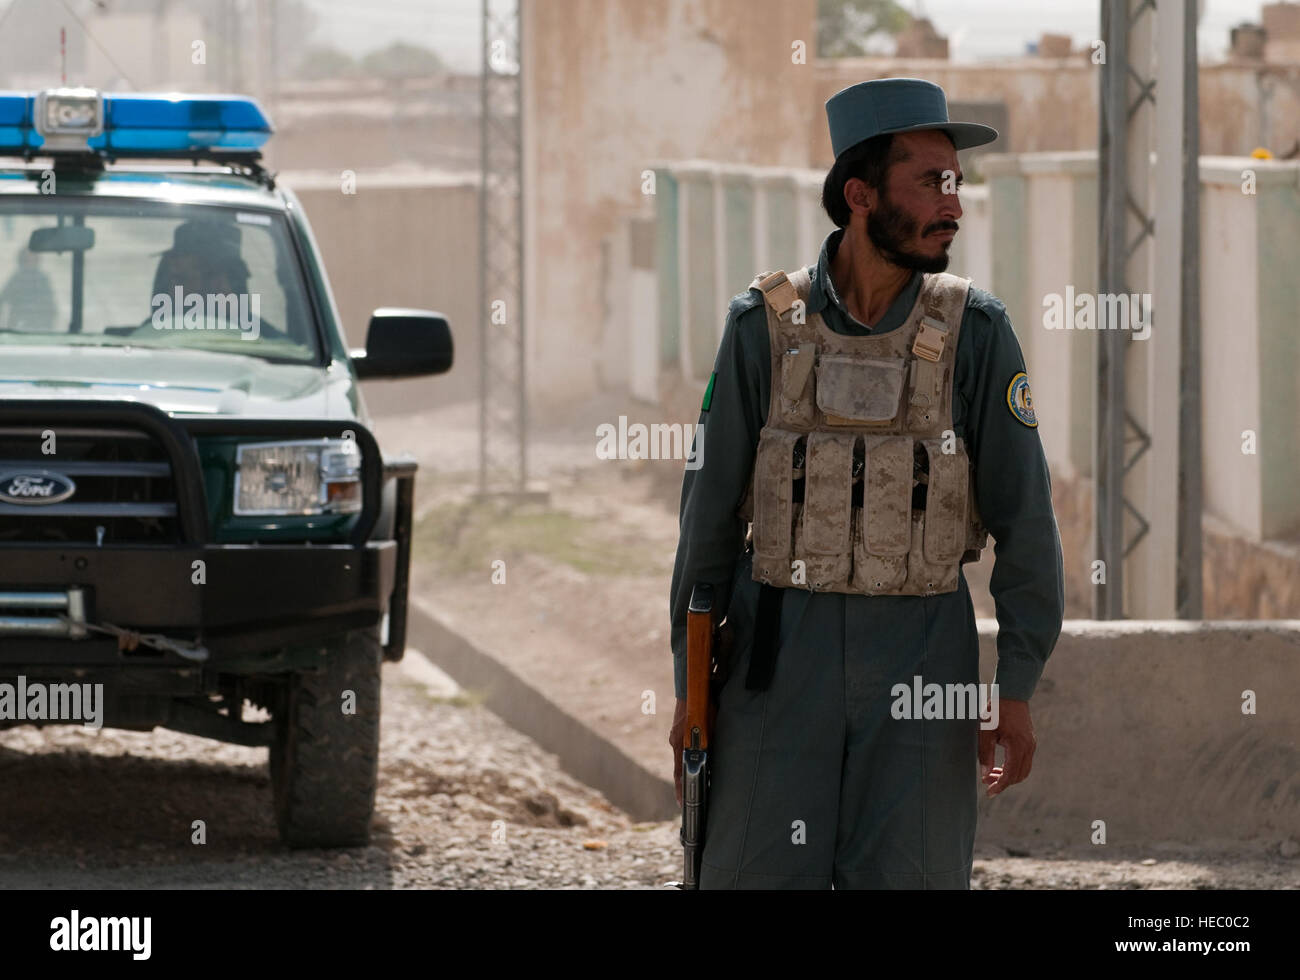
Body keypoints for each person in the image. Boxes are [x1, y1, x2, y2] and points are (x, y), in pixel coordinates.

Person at [667, 77, 1065, 889]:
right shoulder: (764, 329)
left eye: (956, 183)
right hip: (776, 664)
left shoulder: (976, 333)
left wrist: (1015, 687)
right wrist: (688, 690)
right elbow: (706, 523)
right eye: (929, 181)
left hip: (925, 669)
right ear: (859, 193)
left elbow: (1027, 522)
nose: (952, 204)